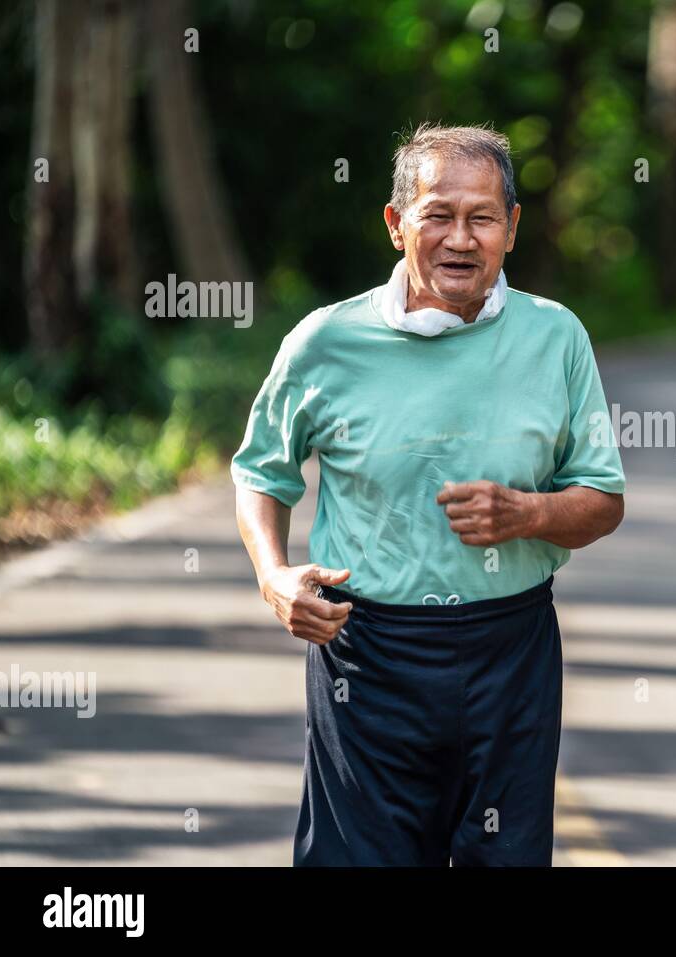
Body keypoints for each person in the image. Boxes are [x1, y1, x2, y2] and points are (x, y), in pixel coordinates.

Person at [230, 121, 626, 866]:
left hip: (512, 652)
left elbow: (603, 500)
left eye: (483, 218)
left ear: (512, 229)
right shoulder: (324, 342)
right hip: (366, 655)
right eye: (437, 215)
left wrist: (528, 512)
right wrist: (272, 575)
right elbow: (261, 472)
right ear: (396, 223)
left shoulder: (556, 337)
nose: (460, 239)